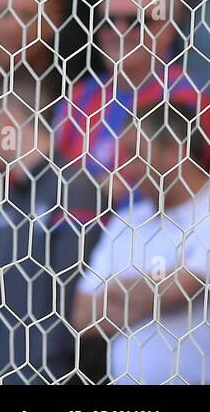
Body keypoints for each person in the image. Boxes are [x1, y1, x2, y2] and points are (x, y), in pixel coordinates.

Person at [71, 89, 210, 384]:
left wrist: (114, 289)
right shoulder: (127, 221)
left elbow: (183, 288)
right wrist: (156, 288)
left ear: (176, 149)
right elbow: (83, 316)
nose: (128, 169)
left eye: (136, 154)